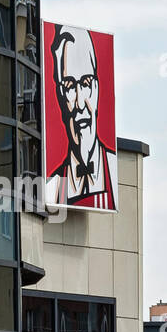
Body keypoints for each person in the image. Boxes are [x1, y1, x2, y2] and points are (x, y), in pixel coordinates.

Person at [46, 25, 116, 209]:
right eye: (69, 86)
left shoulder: (113, 173)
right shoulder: (51, 188)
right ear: (61, 95)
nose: (79, 103)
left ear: (97, 89)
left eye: (85, 83)